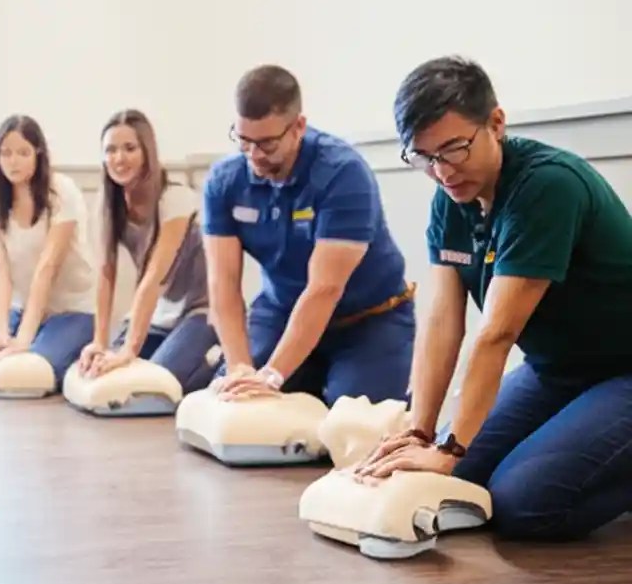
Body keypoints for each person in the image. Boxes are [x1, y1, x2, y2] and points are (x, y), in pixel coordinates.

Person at [356, 56, 632, 542]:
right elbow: (442, 321)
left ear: (496, 124)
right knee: (455, 481)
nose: (442, 171)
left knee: (524, 503)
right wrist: (420, 433)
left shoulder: (546, 186)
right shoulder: (451, 199)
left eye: (454, 149)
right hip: (559, 370)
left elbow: (497, 334)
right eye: (424, 157)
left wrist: (451, 446)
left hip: (623, 368)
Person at [203, 65, 415, 406]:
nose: (254, 156)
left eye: (267, 143)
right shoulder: (225, 181)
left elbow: (324, 289)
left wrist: (272, 375)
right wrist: (242, 368)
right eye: (244, 141)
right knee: (235, 400)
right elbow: (222, 284)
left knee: (352, 423)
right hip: (280, 311)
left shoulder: (342, 172)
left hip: (366, 320)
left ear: (298, 127)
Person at [76, 109, 222, 393]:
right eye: (111, 150)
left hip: (202, 311)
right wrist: (100, 341)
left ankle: (219, 358)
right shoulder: (109, 206)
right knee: (106, 370)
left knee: (155, 381)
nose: (119, 158)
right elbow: (106, 275)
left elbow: (153, 278)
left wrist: (129, 350)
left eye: (129, 148)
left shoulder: (175, 198)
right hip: (161, 313)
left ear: (147, 151)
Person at [0, 115, 97, 390]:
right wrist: (2, 332)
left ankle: (68, 346)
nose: (13, 161)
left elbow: (47, 268)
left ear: (38, 154)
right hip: (24, 309)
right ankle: (34, 337)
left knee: (29, 373)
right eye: (6, 153)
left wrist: (23, 340)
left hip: (72, 310)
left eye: (23, 152)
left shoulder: (62, 192)